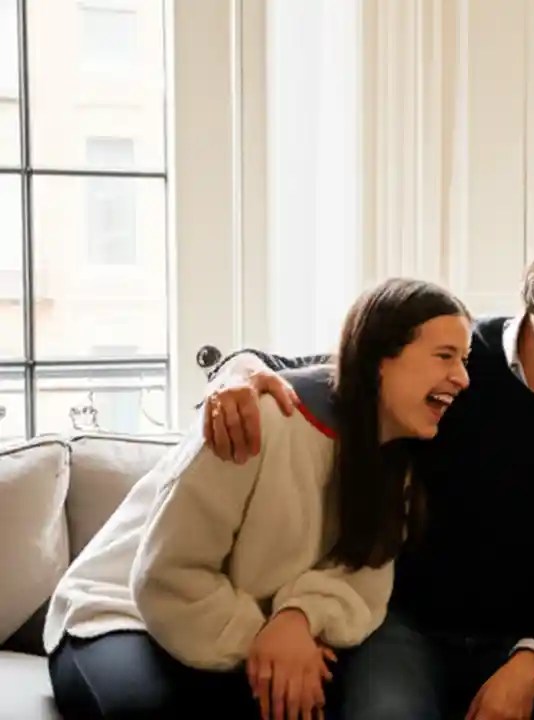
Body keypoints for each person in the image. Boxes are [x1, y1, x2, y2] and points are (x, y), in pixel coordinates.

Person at [199, 208, 534, 719]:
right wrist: (234, 375)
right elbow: (329, 370)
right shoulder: (454, 356)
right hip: (408, 624)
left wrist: (531, 664)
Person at [43, 277, 473, 719]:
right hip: (120, 611)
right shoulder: (256, 421)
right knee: (147, 710)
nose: (462, 378)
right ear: (381, 359)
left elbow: (361, 579)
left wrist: (300, 619)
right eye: (445, 356)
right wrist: (267, 641)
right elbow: (168, 576)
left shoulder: (396, 457)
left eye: (464, 359)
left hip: (236, 628)